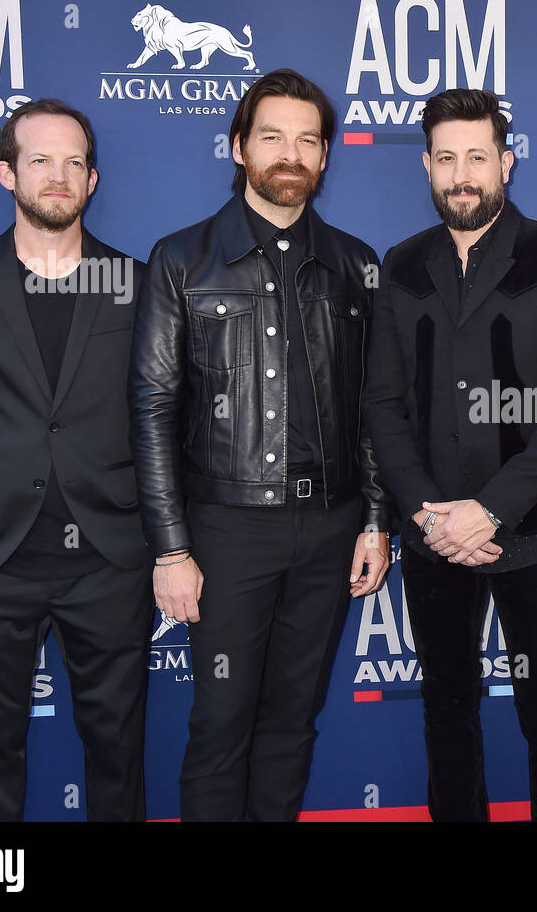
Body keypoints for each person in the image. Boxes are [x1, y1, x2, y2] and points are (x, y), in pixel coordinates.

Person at [130, 69, 391, 821]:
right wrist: (171, 548)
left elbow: (374, 406)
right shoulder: (181, 260)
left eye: (308, 139)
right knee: (218, 729)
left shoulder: (353, 263)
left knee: (290, 725)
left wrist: (376, 518)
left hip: (331, 527)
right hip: (224, 532)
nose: (291, 153)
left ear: (326, 156)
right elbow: (150, 409)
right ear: (239, 146)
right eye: (272, 136)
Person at [0, 98, 151, 821]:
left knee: (118, 752)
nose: (58, 175)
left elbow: (162, 423)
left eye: (74, 161)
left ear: (93, 180)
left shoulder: (135, 285)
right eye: (40, 159)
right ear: (5, 172)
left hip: (110, 561)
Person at [363, 88, 537, 821]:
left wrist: (491, 509)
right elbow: (382, 406)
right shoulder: (400, 266)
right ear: (427, 170)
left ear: (506, 161)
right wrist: (428, 514)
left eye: (477, 156)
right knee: (445, 709)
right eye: (445, 158)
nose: (461, 173)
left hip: (531, 537)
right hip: (432, 537)